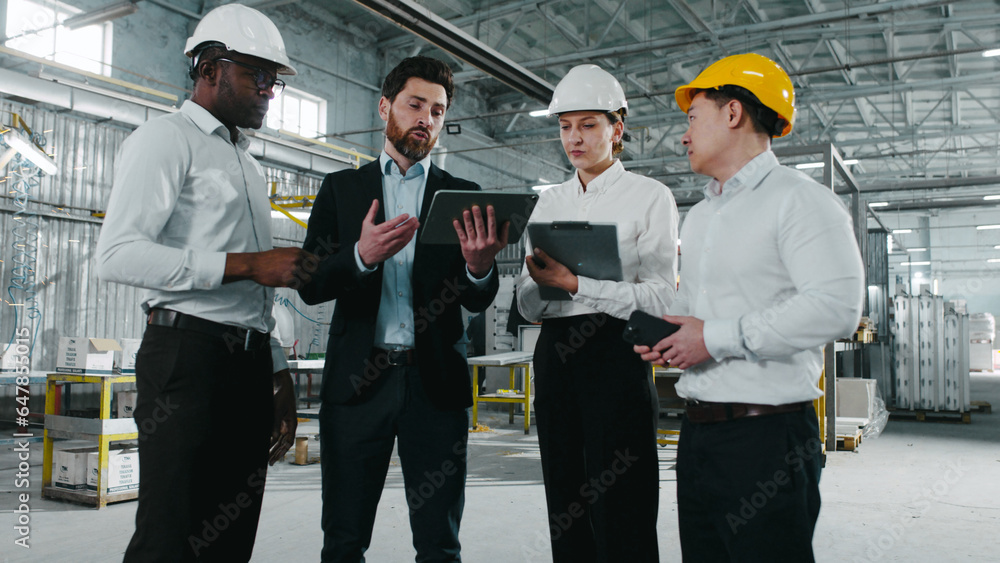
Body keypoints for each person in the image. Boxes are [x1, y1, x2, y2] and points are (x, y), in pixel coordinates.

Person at [95, 4, 311, 561]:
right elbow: (117, 255)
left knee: (230, 533)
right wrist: (244, 264)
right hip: (187, 359)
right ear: (211, 67)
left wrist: (277, 372)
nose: (269, 90)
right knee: (171, 535)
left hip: (246, 363)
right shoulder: (164, 140)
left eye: (274, 80)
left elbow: (255, 293)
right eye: (258, 75)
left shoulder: (247, 164)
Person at [635, 53, 865, 561]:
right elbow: (693, 312)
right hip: (697, 437)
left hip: (769, 441)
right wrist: (671, 339)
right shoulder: (699, 218)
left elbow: (837, 307)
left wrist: (711, 338)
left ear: (733, 113)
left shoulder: (802, 201)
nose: (684, 135)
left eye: (692, 118)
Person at [296, 56, 507, 562]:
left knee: (439, 543)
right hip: (357, 387)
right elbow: (309, 285)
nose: (426, 120)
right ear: (386, 106)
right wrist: (360, 257)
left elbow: (478, 296)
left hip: (434, 389)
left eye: (438, 111)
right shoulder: (342, 191)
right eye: (416, 105)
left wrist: (479, 266)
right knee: (343, 539)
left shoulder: (463, 196)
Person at [516, 64, 679, 562]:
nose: (574, 138)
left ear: (617, 128)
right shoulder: (547, 203)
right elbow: (526, 301)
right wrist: (540, 288)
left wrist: (577, 284)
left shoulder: (651, 197)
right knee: (565, 496)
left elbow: (661, 299)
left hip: (619, 355)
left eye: (588, 124)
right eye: (565, 126)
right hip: (555, 356)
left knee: (623, 501)